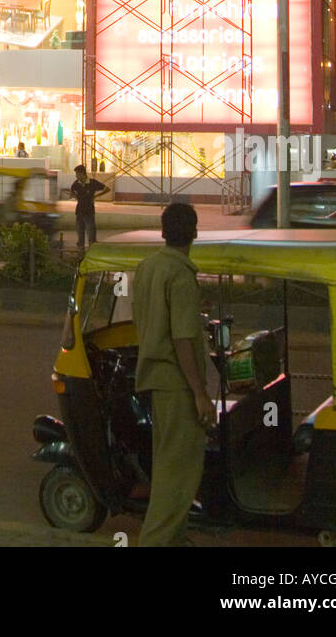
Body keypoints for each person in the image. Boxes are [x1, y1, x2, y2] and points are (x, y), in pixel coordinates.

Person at [131, 201, 216, 548]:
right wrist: (199, 393)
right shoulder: (180, 275)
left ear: (164, 232)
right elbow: (182, 337)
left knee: (168, 464)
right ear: (194, 233)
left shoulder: (148, 267)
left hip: (156, 380)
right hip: (177, 385)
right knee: (177, 476)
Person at [69, 164, 106, 252]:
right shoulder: (76, 184)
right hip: (79, 212)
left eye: (77, 174)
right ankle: (80, 254)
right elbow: (71, 191)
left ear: (82, 173)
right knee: (80, 236)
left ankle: (91, 253)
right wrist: (76, 197)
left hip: (89, 212)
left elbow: (106, 188)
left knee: (91, 236)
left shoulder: (92, 183)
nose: (76, 176)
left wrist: (95, 196)